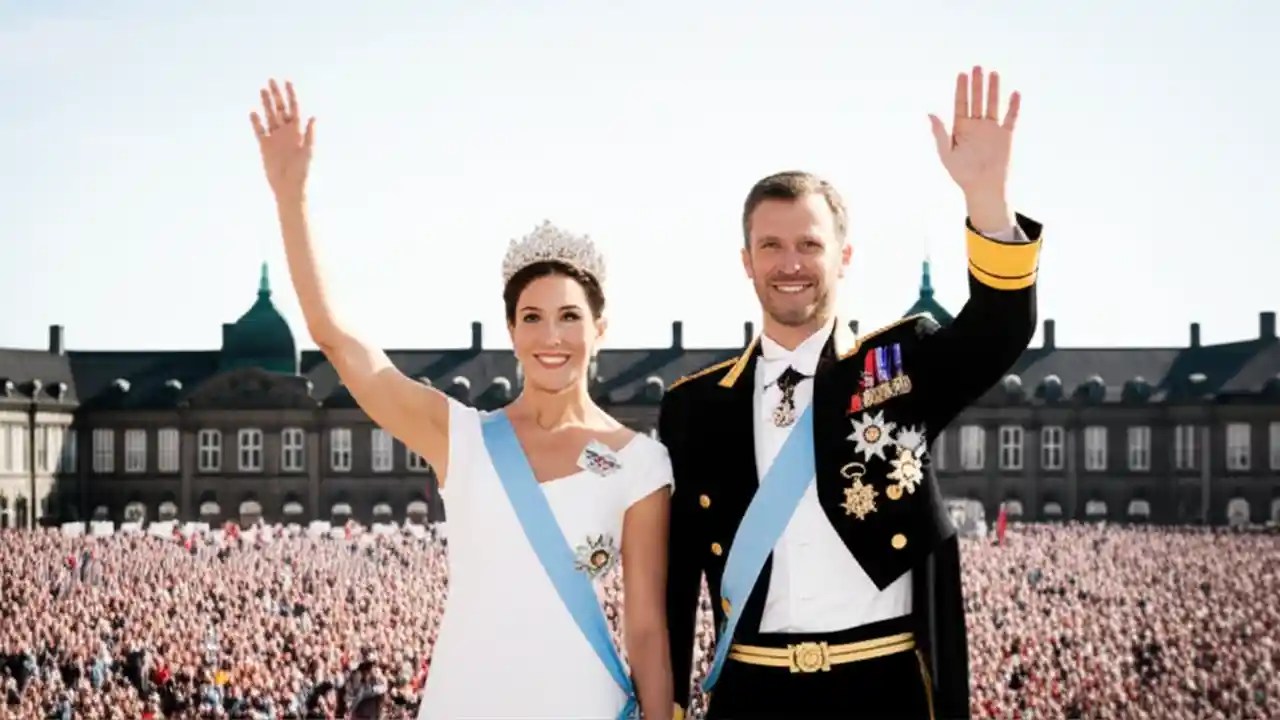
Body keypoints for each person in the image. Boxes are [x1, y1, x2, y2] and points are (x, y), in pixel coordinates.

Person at [248, 79, 675, 720]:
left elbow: (646, 630)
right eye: (532, 318)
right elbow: (335, 338)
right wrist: (292, 198)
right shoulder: (462, 436)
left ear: (600, 329)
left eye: (569, 317)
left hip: (584, 701)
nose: (551, 337)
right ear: (511, 332)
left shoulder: (640, 462)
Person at [660, 66, 1043, 719]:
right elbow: (676, 581)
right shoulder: (695, 406)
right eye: (771, 245)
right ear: (746, 261)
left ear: (844, 257)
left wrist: (987, 198)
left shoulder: (898, 366)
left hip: (884, 690)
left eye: (810, 244)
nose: (790, 263)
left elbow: (999, 329)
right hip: (751, 694)